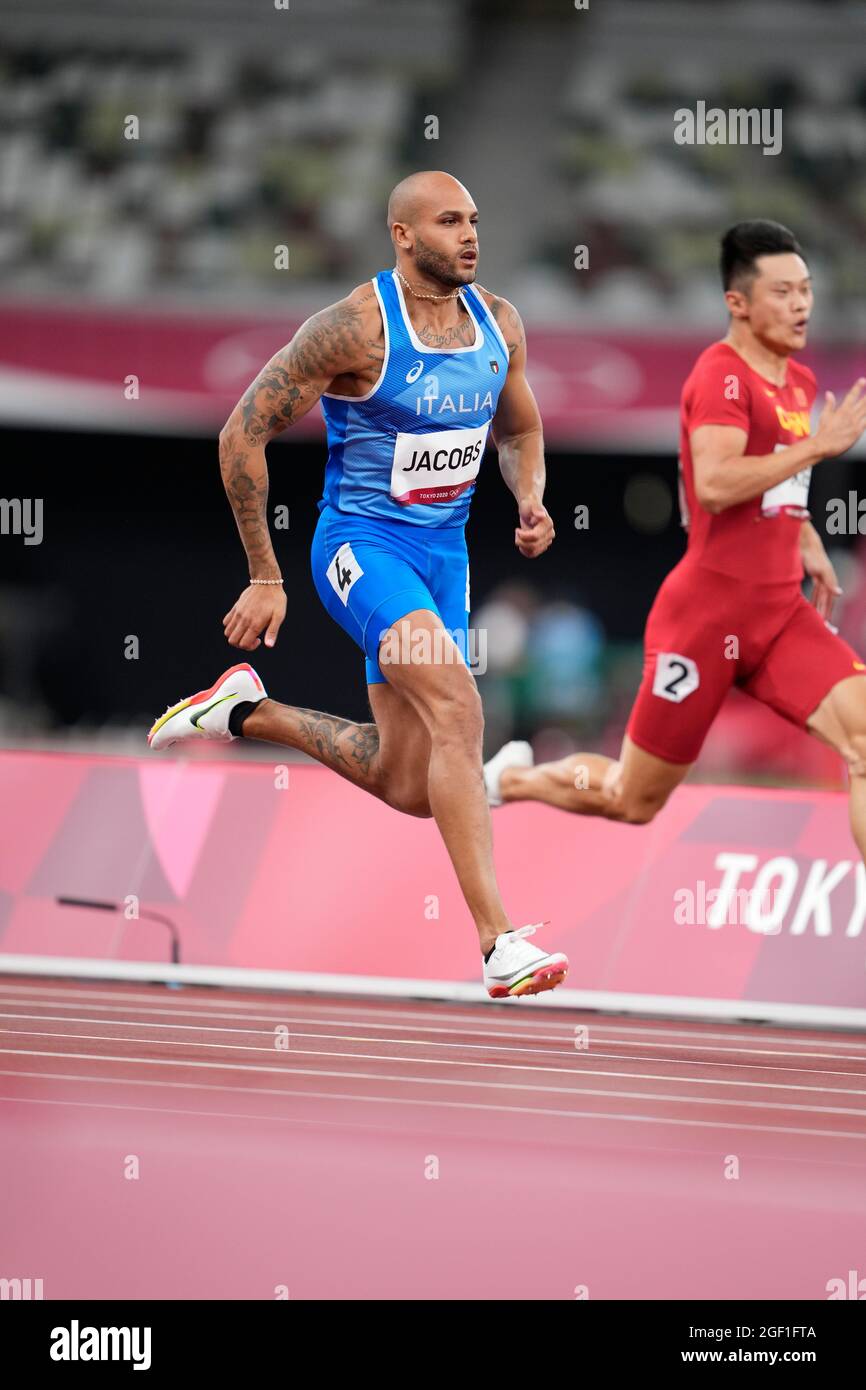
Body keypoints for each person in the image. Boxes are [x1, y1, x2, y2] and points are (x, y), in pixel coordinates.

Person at [148, 170, 568, 999]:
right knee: (460, 708)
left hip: (444, 560)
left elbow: (519, 424)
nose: (471, 235)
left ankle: (245, 710)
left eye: (475, 220)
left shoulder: (500, 323)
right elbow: (242, 434)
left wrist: (529, 494)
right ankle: (497, 944)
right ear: (403, 236)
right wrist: (264, 572)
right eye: (450, 222)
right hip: (360, 550)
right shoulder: (354, 330)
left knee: (409, 784)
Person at [485, 221, 866, 868]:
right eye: (783, 292)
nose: (801, 305)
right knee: (632, 798)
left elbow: (772, 480)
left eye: (805, 290)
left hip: (778, 616)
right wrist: (819, 447)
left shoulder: (799, 383)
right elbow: (716, 485)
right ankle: (511, 779)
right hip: (705, 617)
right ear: (738, 303)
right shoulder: (719, 376)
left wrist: (803, 536)